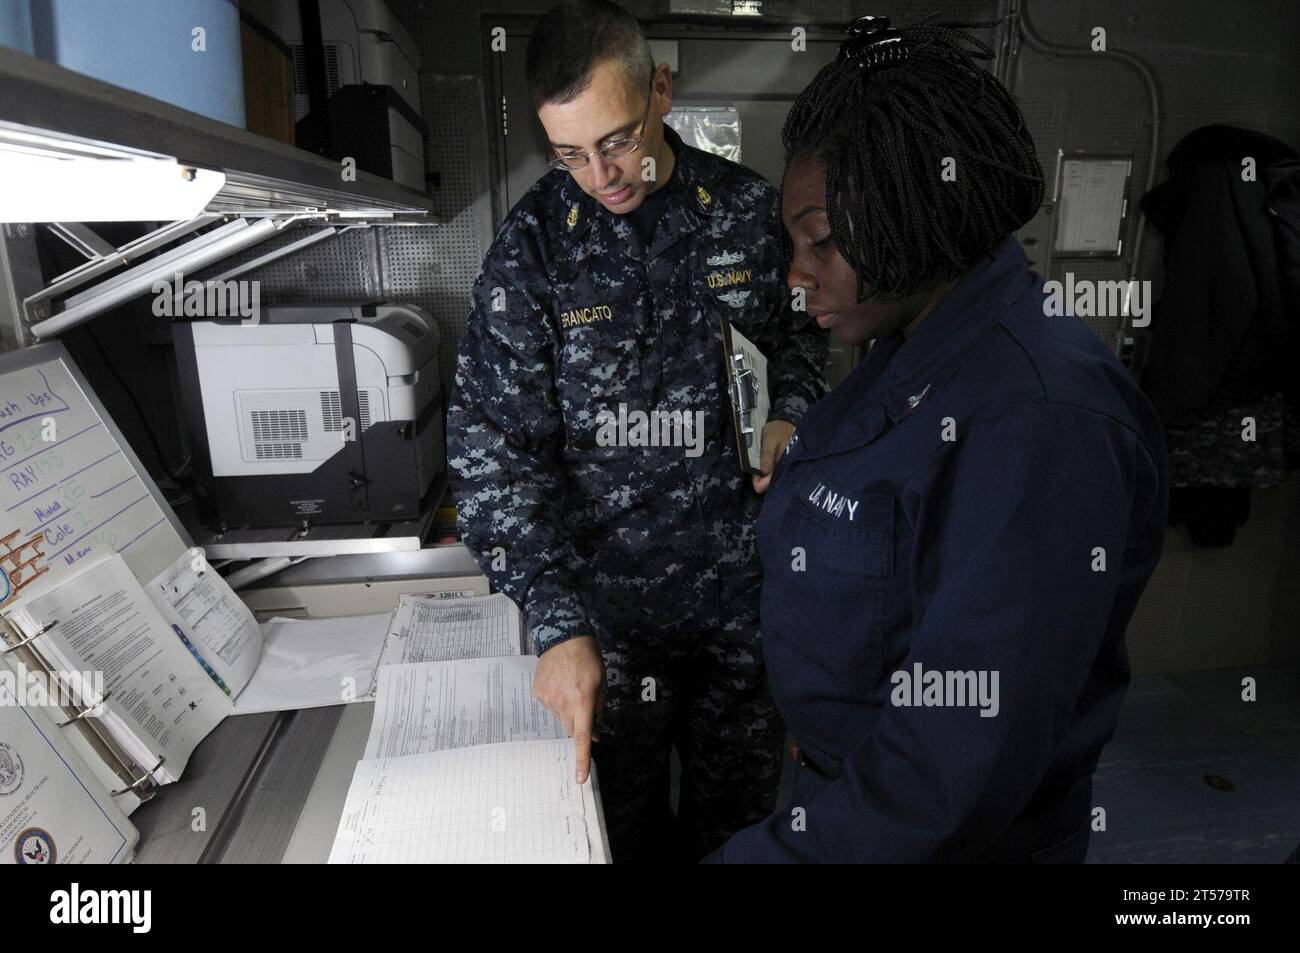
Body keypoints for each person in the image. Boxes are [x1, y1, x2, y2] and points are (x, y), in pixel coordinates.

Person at [709, 16, 1168, 863]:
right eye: (792, 243)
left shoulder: (1038, 418)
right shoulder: (902, 348)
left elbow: (947, 771)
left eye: (823, 244)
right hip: (839, 794)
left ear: (917, 218)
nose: (794, 276)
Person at [446, 0, 828, 862]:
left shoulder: (748, 216)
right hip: (608, 631)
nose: (602, 175)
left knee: (740, 832)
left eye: (616, 139)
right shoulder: (533, 251)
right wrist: (553, 621)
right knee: (618, 839)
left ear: (663, 89)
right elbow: (491, 458)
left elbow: (801, 333)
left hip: (742, 612)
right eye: (570, 154)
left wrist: (792, 411)